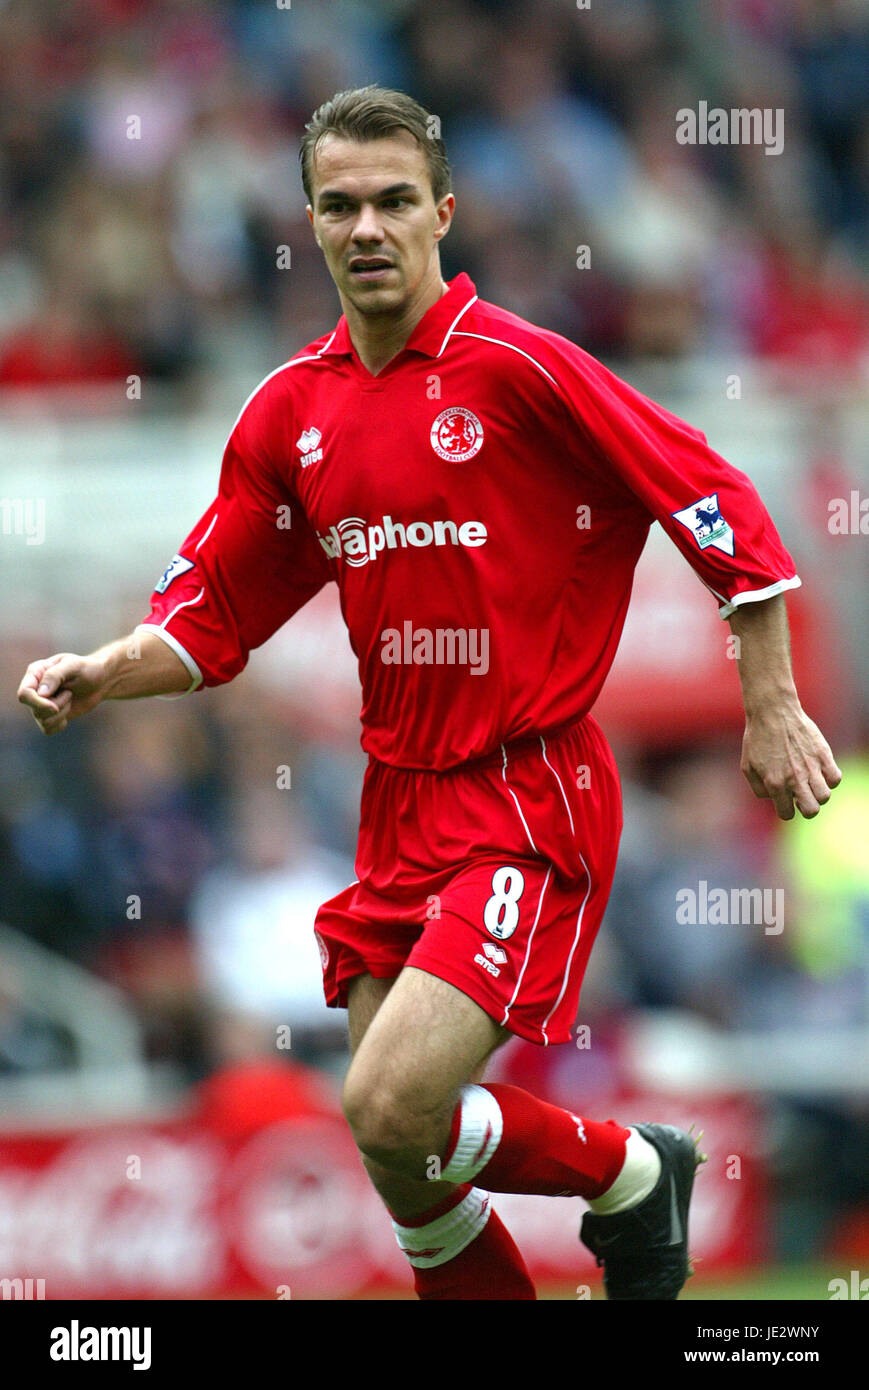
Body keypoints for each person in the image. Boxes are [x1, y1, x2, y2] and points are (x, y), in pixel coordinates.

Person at [18, 86, 842, 1301]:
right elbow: (211, 612)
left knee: (389, 1102)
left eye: (394, 201)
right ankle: (611, 1190)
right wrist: (103, 670)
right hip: (393, 802)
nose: (367, 227)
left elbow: (710, 492)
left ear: (441, 211)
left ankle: (624, 1171)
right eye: (340, 204)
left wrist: (767, 697)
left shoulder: (519, 369)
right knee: (403, 1163)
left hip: (526, 786)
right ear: (306, 220)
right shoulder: (289, 412)